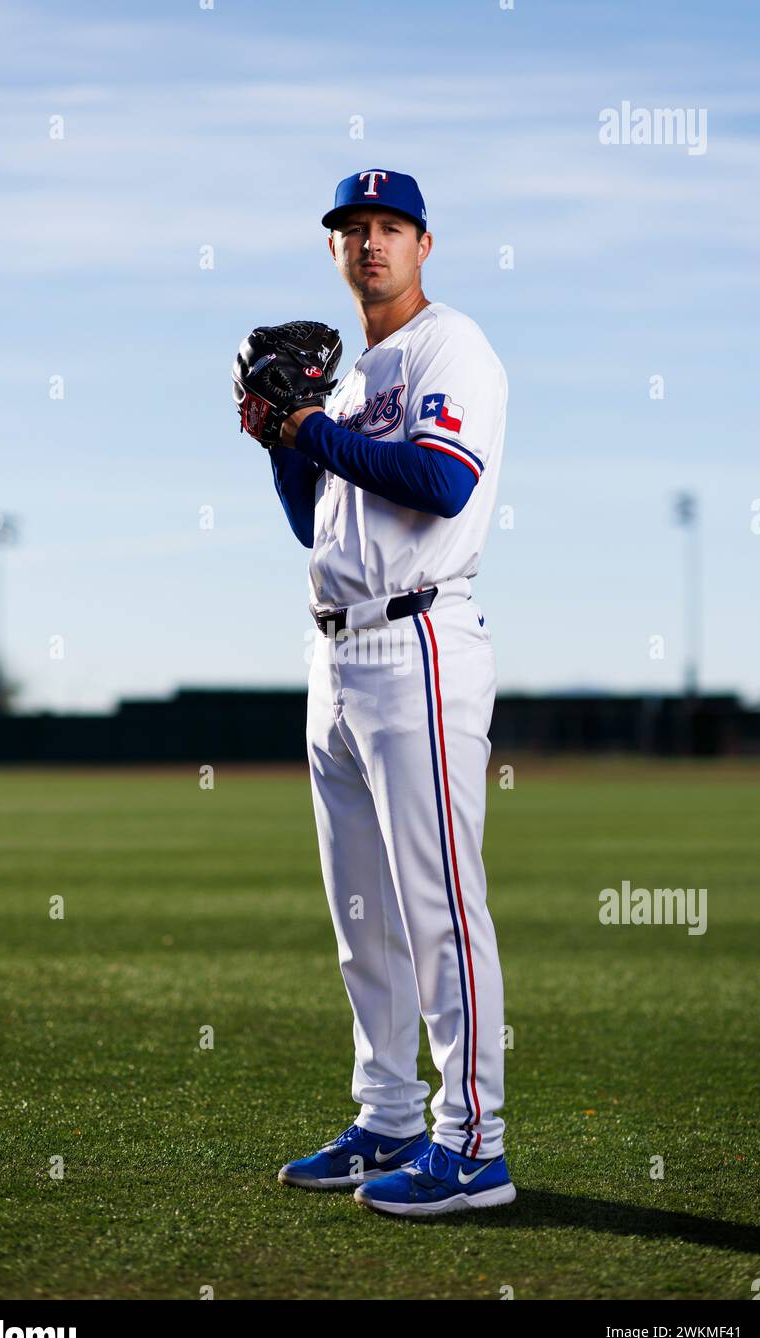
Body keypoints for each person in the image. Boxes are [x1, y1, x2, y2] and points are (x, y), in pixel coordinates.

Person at [271, 169, 514, 1217]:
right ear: (334, 250)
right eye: (351, 229)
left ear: (423, 243)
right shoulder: (352, 375)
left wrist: (313, 429)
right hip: (336, 650)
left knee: (437, 909)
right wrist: (281, 435)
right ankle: (388, 1118)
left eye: (388, 227)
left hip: (419, 637)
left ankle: (475, 1147)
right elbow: (312, 517)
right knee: (361, 915)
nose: (369, 243)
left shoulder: (447, 344)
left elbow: (440, 480)